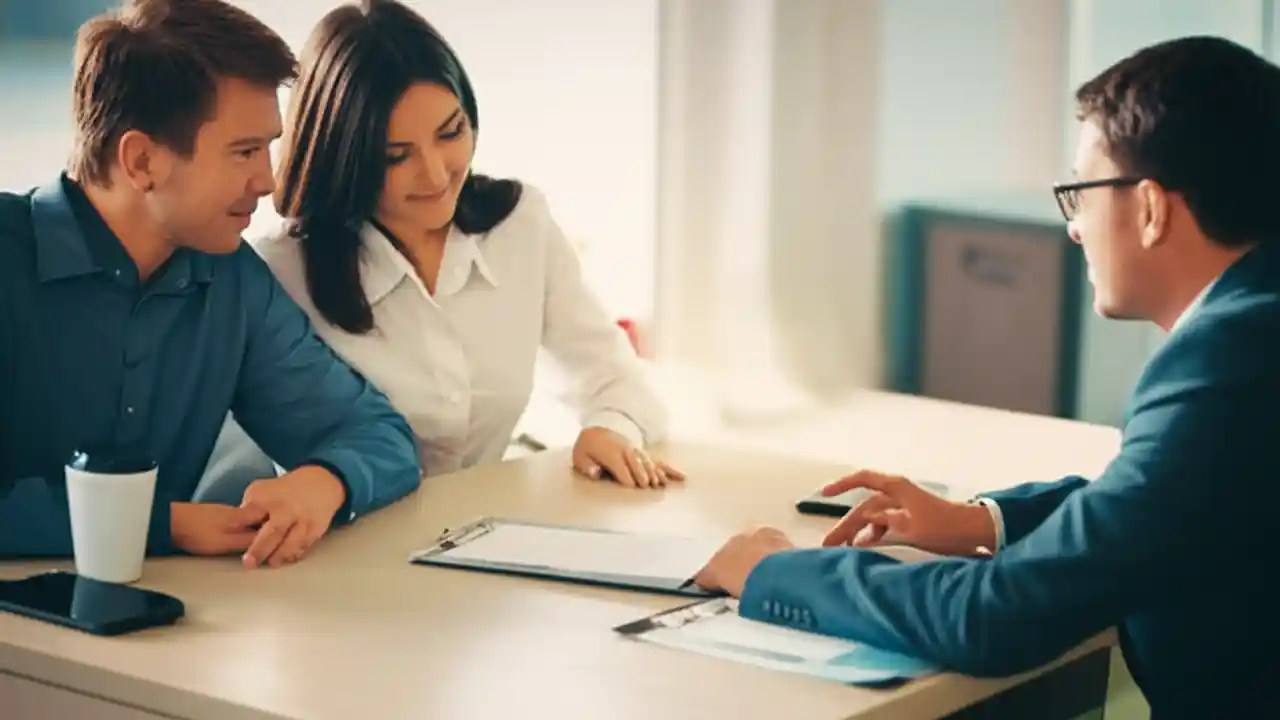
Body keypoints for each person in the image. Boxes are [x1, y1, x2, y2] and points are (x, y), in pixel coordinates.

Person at [695, 36, 1280, 716]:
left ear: (1150, 209)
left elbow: (996, 618)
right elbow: (1168, 504)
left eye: (1080, 195)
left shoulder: (1233, 351)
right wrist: (980, 522)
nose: (1074, 230)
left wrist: (775, 571)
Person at [0, 0, 421, 569]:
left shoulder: (230, 279)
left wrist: (324, 483)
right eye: (244, 151)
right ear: (142, 160)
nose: (269, 181)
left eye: (269, 147)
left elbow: (377, 433)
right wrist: (163, 522)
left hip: (150, 639)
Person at [255, 0, 681, 489]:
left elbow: (617, 379)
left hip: (485, 532)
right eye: (396, 157)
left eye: (450, 132)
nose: (436, 175)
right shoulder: (283, 269)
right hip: (346, 544)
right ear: (343, 158)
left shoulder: (520, 223)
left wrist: (610, 429)